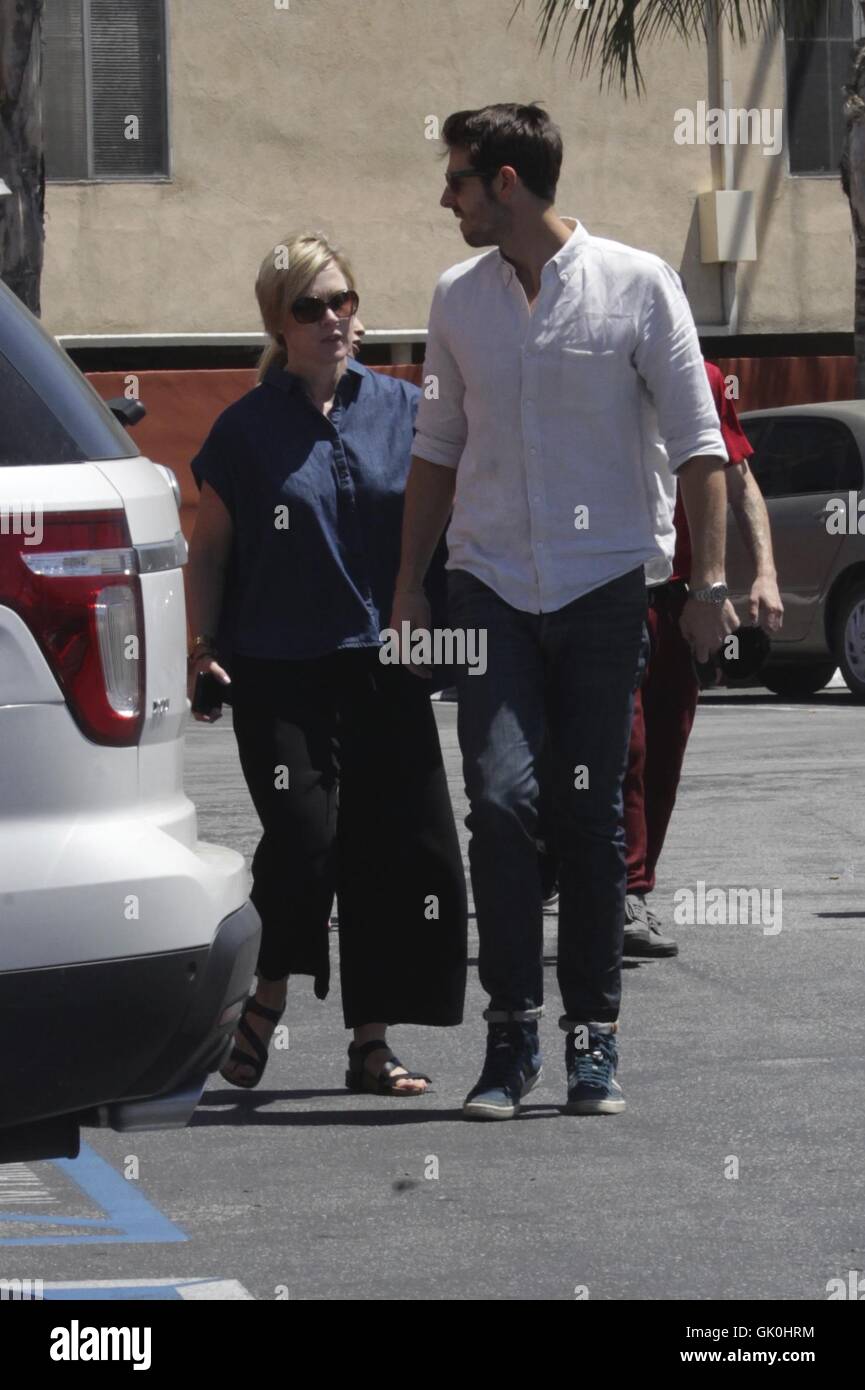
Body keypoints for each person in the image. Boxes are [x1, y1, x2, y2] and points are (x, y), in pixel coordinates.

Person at [390, 102, 736, 1121]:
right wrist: (410, 587)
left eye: (456, 177)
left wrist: (707, 589)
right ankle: (510, 1042)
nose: (443, 196)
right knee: (499, 802)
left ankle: (592, 1040)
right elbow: (436, 452)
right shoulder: (458, 299)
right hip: (487, 587)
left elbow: (700, 446)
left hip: (602, 591)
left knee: (586, 817)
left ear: (506, 182)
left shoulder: (638, 285)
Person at [186, 232, 467, 1095]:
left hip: (384, 663)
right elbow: (211, 555)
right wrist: (200, 648)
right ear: (279, 322)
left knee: (398, 849)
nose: (332, 318)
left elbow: (446, 517)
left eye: (342, 300)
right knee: (306, 839)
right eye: (309, 307)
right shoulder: (243, 430)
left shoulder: (401, 406)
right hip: (275, 669)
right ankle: (265, 994)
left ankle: (370, 1045)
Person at [621, 360, 784, 955]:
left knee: (663, 745)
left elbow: (738, 480)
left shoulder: (704, 379)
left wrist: (764, 572)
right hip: (607, 588)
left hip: (686, 596)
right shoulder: (597, 369)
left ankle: (631, 892)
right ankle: (613, 881)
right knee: (622, 744)